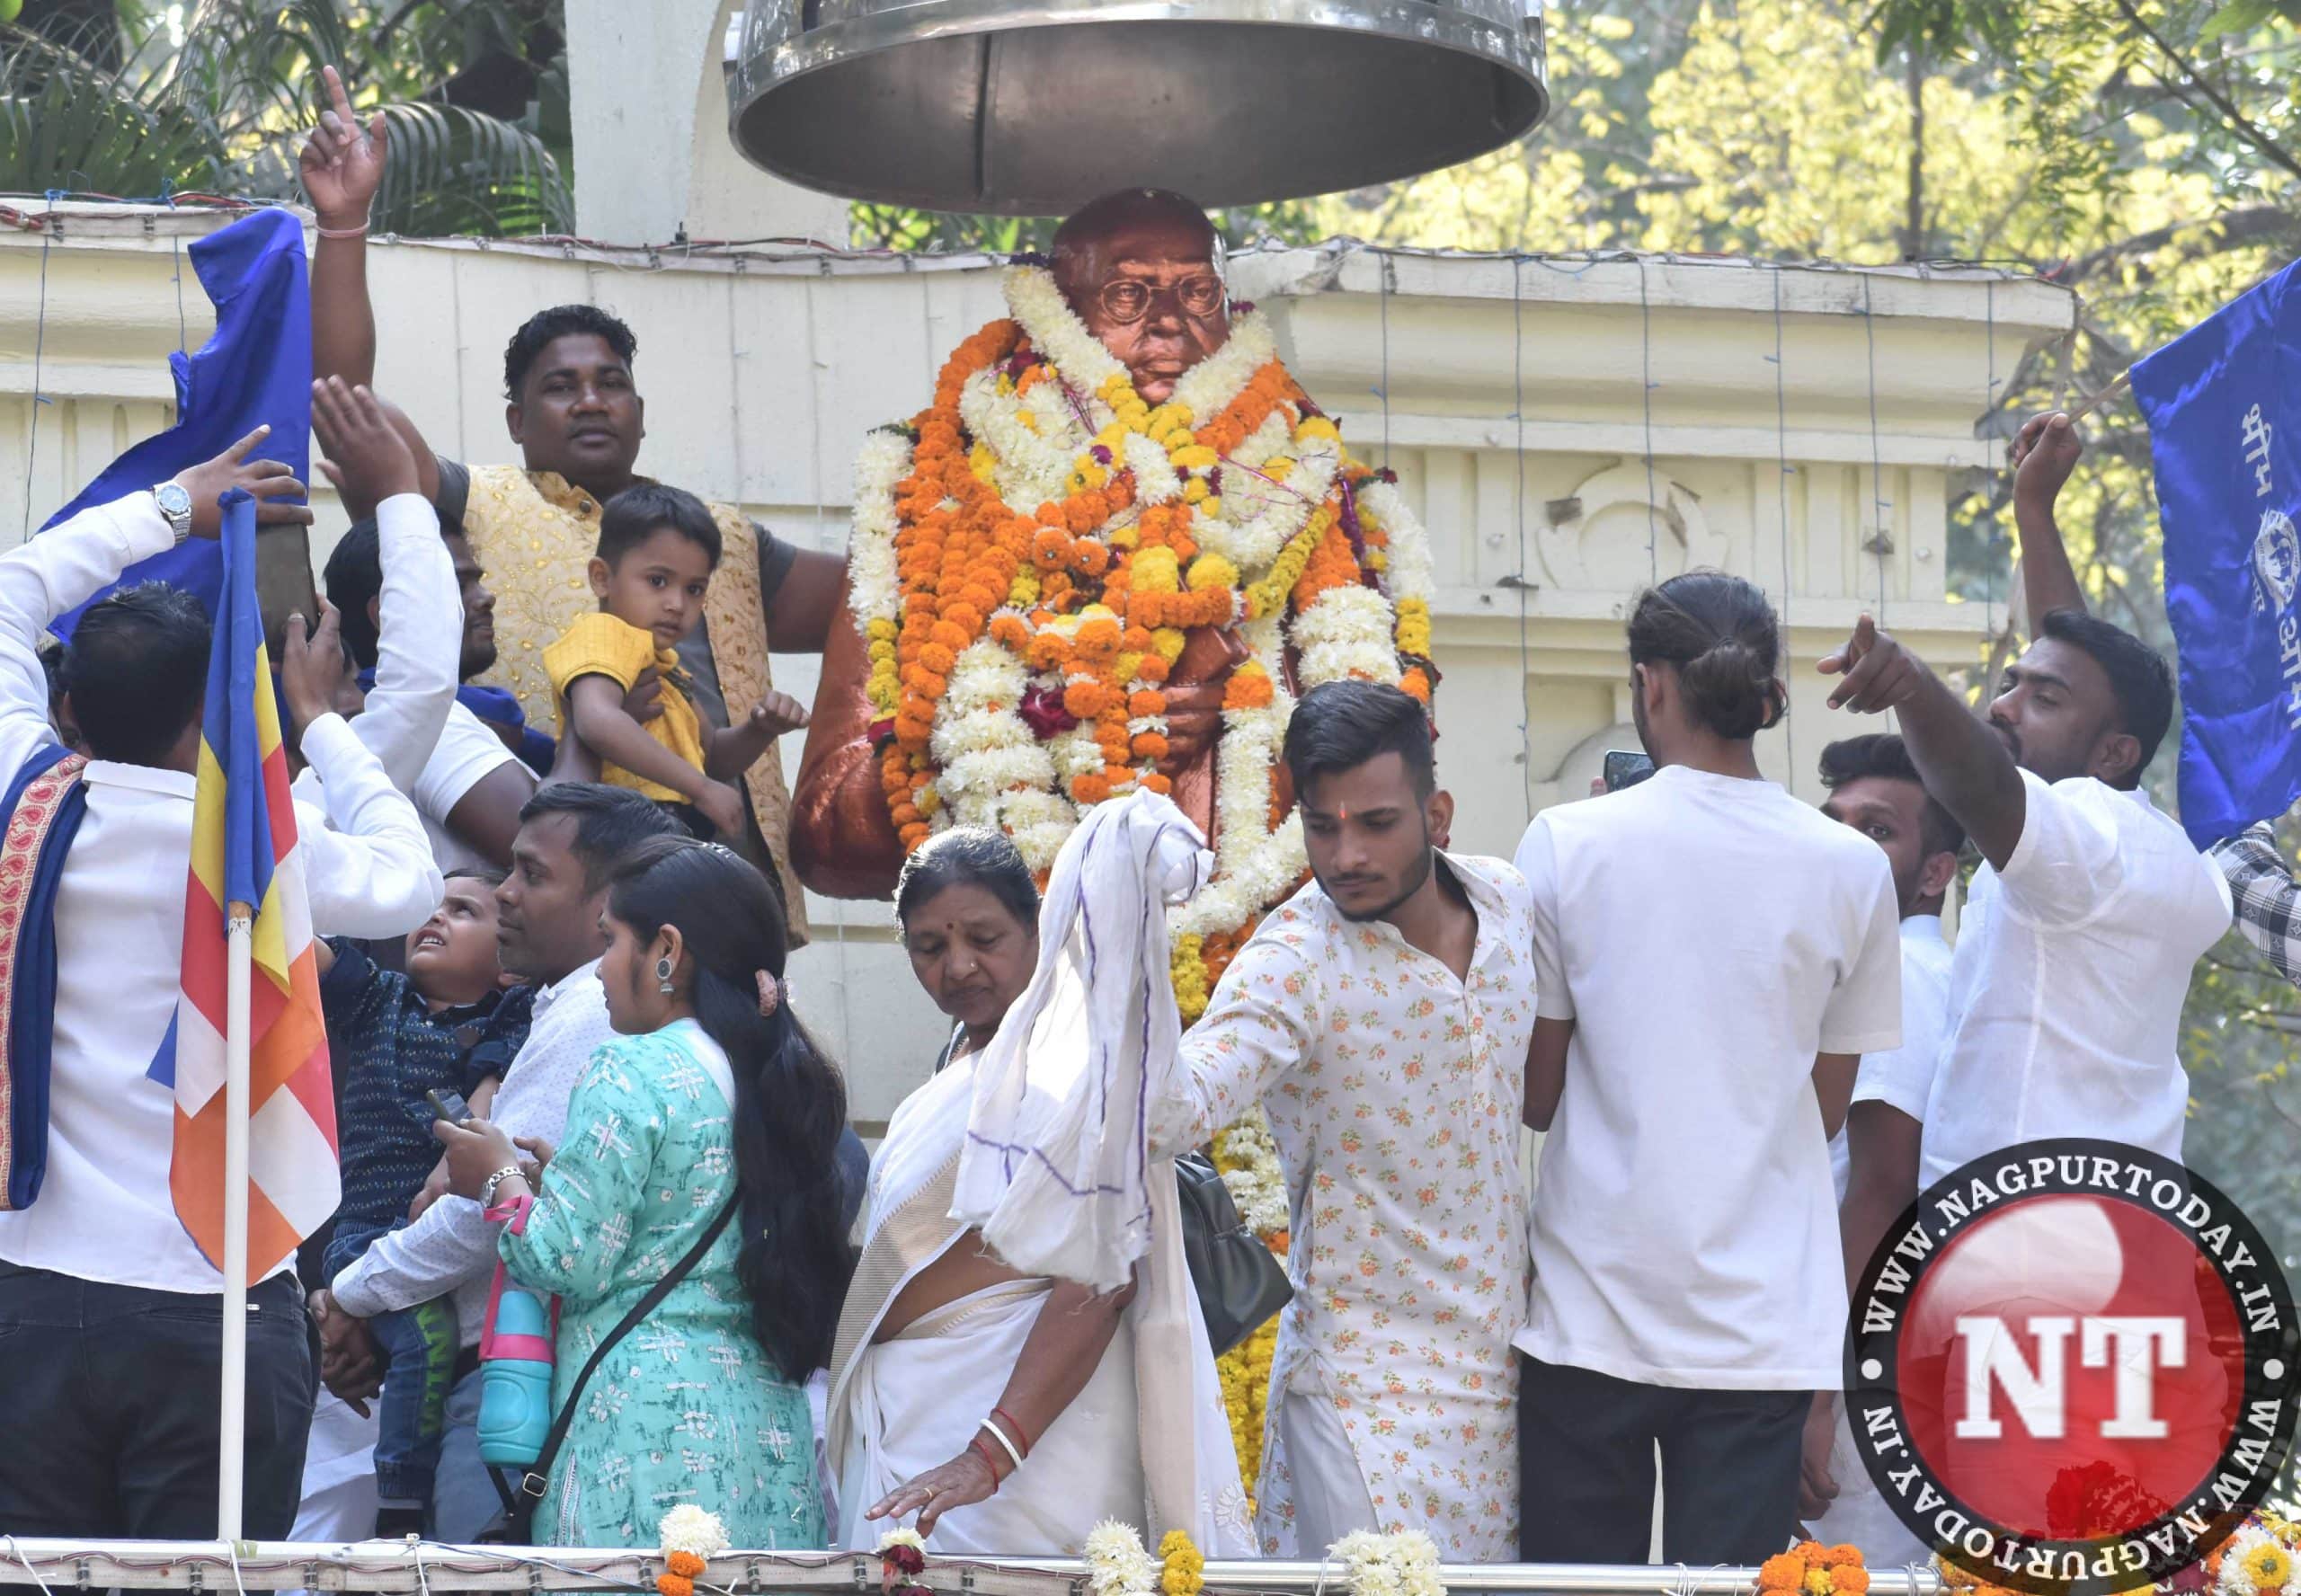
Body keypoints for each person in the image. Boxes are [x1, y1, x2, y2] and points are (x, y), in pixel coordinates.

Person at [0, 425, 441, 1544]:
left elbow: (9, 594)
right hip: (214, 1303)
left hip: (30, 1296)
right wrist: (325, 729)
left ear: (68, 713)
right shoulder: (268, 851)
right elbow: (410, 880)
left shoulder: (23, 797)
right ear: (215, 718)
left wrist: (167, 509)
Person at [789, 187, 1436, 910]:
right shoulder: (932, 494)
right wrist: (1050, 720)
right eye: (1129, 296)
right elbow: (827, 831)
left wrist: (1250, 725)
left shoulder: (1325, 500)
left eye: (1197, 293)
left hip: (1287, 978)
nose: (1168, 326)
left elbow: (1407, 802)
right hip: (1041, 981)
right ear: (1054, 314)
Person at [299, 66, 834, 928]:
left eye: (609, 382)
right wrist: (344, 221)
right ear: (516, 420)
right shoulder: (472, 501)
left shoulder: (723, 534)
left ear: (640, 410)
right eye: (561, 387)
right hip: (564, 898)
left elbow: (879, 602)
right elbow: (339, 394)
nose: (590, 400)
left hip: (733, 886)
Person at [1514, 571, 1904, 1567]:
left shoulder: (1568, 842)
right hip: (1760, 1322)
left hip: (1588, 1308)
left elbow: (1537, 1092)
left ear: (1651, 686)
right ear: (1764, 689)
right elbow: (1825, 1108)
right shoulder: (1850, 866)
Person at [1165, 680, 1534, 1559]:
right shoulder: (1293, 959)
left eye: (1374, 822)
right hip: (1361, 1387)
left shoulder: (1509, 902)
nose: (1344, 854)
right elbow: (1184, 1101)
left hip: (1508, 1378)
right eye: (1320, 826)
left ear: (1436, 815)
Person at [1825, 411, 2233, 1189]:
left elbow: (1977, 778)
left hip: (2035, 1255)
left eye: (2039, 699)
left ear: (2115, 754)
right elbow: (2076, 660)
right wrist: (2035, 511)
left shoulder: (2088, 842)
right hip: (2094, 1240)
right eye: (2009, 683)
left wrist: (1909, 684)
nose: (2004, 704)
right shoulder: (2128, 832)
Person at [435, 837, 853, 1547]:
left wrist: (497, 1178)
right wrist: (557, 1179)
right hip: (763, 1433)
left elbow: (564, 1258)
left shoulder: (628, 1067)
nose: (599, 969)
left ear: (666, 950)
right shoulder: (773, 1074)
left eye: (610, 941)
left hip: (638, 1430)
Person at [320, 783, 680, 1538]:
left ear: (608, 904)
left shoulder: (590, 1015)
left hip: (521, 1381)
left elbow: (485, 1217)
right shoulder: (561, 1008)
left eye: (531, 876)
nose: (507, 893)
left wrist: (352, 1296)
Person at [829, 828, 1158, 1553]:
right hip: (913, 1427)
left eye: (983, 936)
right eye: (929, 948)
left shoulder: (1072, 1070)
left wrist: (990, 1453)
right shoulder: (941, 1090)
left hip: (1019, 1457)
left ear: (1035, 928)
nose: (959, 966)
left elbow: (1099, 1281)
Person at [315, 869, 533, 1535]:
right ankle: (401, 1504)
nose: (435, 917)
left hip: (432, 1237)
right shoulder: (381, 999)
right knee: (426, 1332)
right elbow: (302, 948)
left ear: (507, 965)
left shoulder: (516, 1020)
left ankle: (411, 1489)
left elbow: (503, 1061)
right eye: (430, 906)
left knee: (428, 1334)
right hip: (363, 1233)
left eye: (463, 910)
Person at [1800, 732, 1964, 1564]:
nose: (1842, 846)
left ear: (1935, 873)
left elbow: (1882, 1190)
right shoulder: (1915, 969)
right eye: (1833, 822)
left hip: (1862, 1381)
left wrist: (1822, 1388)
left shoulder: (1899, 967)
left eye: (1877, 831)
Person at [544, 485, 803, 842]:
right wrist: (699, 788)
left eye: (694, 589)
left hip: (670, 828)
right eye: (658, 581)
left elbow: (712, 756)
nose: (677, 604)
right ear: (602, 578)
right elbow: (596, 720)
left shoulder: (667, 667)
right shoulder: (603, 634)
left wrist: (760, 729)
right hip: (621, 827)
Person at [321, 507, 537, 871]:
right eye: (458, 586)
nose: (486, 597)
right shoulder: (430, 725)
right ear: (388, 613)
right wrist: (588, 724)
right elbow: (554, 854)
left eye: (477, 581)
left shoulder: (396, 720)